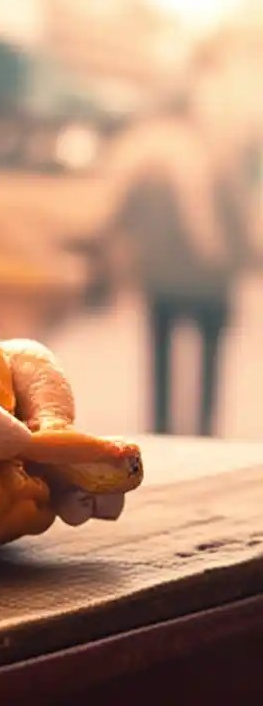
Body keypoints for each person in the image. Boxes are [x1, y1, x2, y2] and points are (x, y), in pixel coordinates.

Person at [105, 33, 259, 436]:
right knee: (209, 368)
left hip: (162, 279)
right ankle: (204, 434)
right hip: (210, 280)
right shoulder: (218, 149)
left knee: (161, 366)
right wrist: (246, 259)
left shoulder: (145, 155)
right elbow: (237, 216)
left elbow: (119, 216)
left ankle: (161, 434)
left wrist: (121, 261)